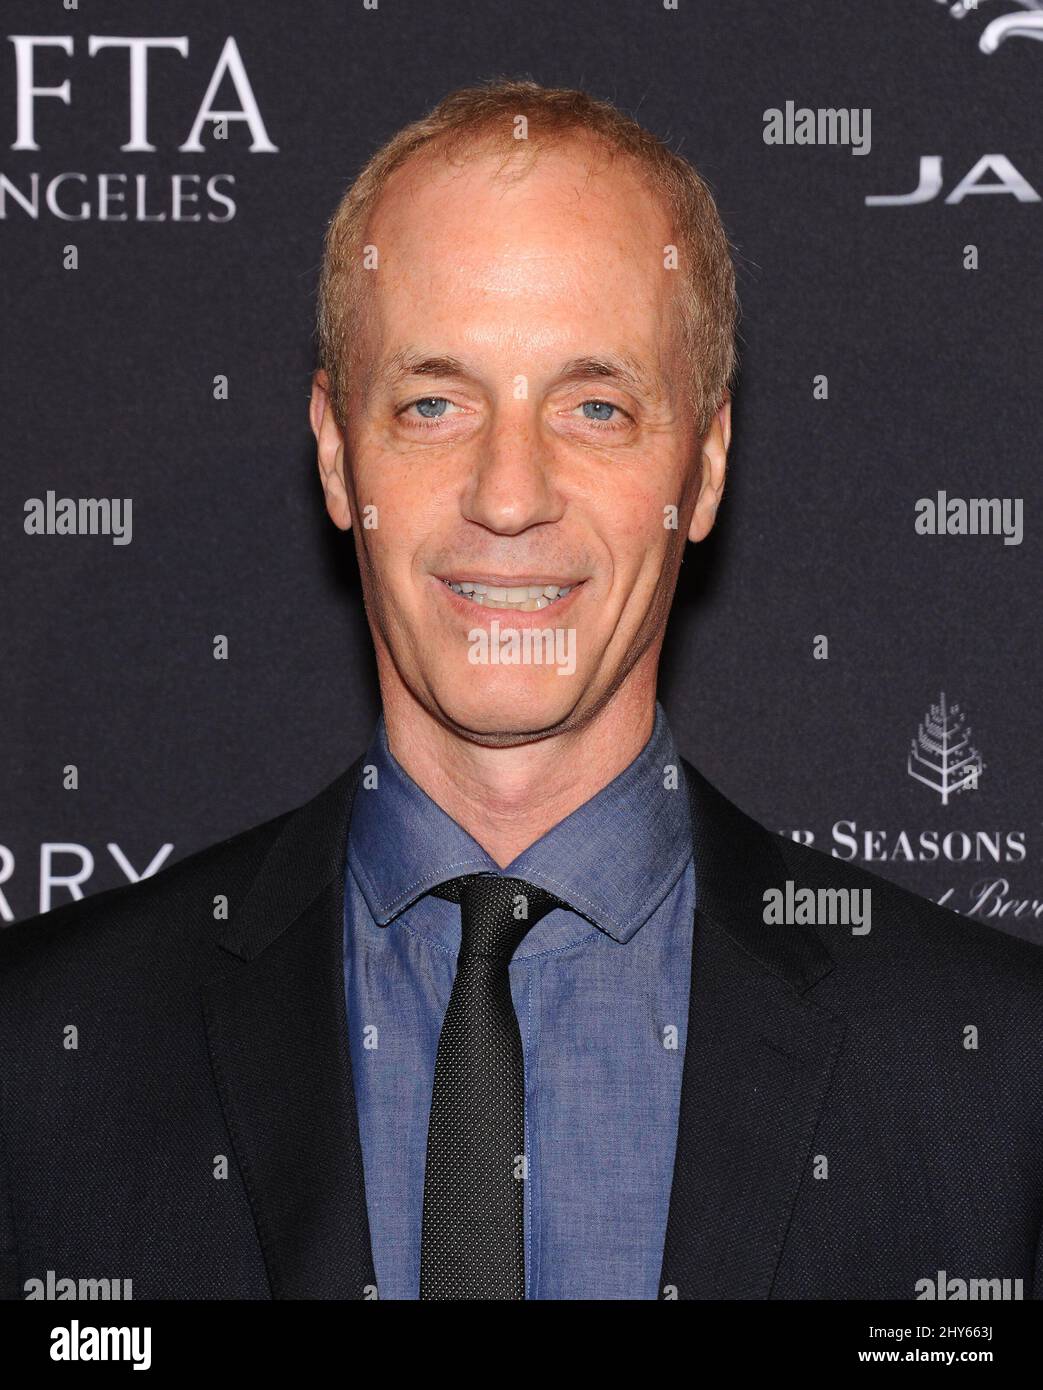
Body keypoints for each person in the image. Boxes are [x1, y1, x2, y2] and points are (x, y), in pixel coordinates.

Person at [2, 80, 1041, 1302]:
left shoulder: (991, 1087)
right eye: (434, 403)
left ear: (702, 466)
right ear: (337, 453)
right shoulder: (43, 1061)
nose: (507, 493)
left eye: (593, 407)